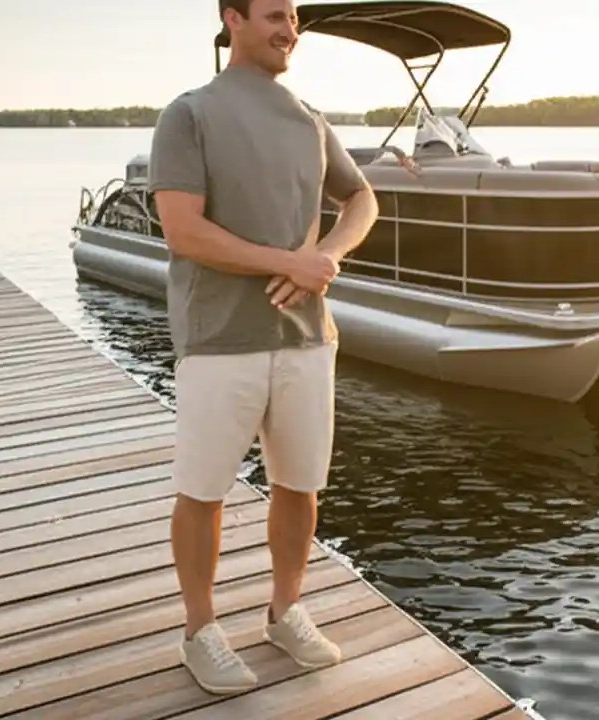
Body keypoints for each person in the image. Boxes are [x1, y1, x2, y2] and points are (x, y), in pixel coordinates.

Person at [147, 0, 378, 696]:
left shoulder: (309, 119)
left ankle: (285, 612)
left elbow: (362, 198)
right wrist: (288, 262)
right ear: (234, 19)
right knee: (203, 491)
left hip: (307, 338)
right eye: (276, 15)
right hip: (220, 338)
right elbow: (183, 231)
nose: (290, 30)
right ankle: (200, 631)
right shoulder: (188, 114)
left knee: (300, 485)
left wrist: (326, 258)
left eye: (295, 19)